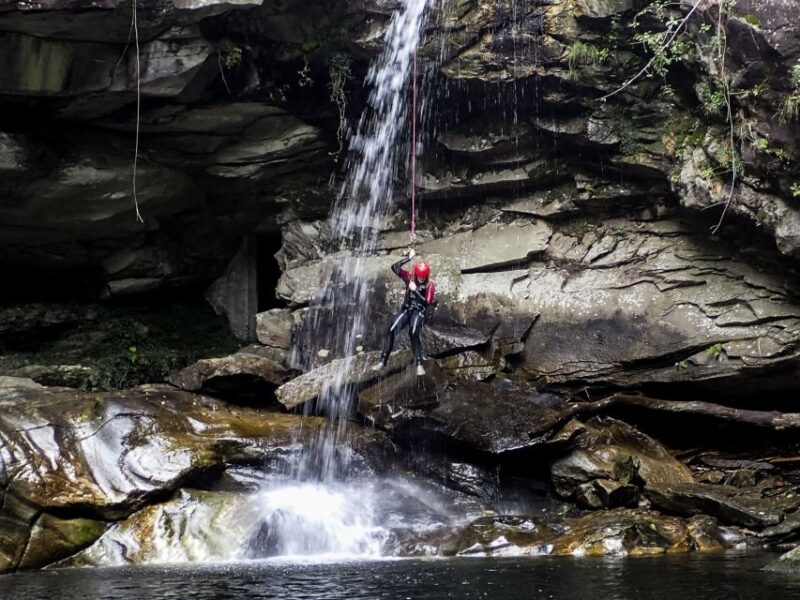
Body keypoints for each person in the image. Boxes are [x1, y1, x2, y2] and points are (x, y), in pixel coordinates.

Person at [375, 248, 436, 375]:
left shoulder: (430, 285)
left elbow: (427, 302)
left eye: (423, 277)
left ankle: (419, 363)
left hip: (419, 311)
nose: (420, 279)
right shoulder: (410, 277)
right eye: (419, 276)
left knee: (413, 333)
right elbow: (395, 267)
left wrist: (415, 290)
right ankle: (383, 360)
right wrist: (409, 258)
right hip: (407, 309)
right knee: (391, 329)